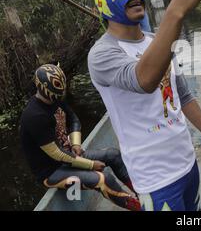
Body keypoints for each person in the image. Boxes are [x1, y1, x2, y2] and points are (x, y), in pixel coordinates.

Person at [88, 0, 201, 212]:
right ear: (102, 3)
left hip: (187, 164)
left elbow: (183, 96)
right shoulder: (101, 55)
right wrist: (175, 10)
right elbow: (144, 80)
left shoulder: (156, 40)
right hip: (156, 180)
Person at [20, 64, 141, 211]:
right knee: (103, 179)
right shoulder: (34, 116)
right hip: (52, 171)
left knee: (113, 155)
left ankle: (142, 194)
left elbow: (74, 120)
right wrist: (90, 165)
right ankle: (141, 208)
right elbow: (57, 154)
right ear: (44, 88)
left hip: (68, 154)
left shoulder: (55, 100)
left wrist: (76, 145)